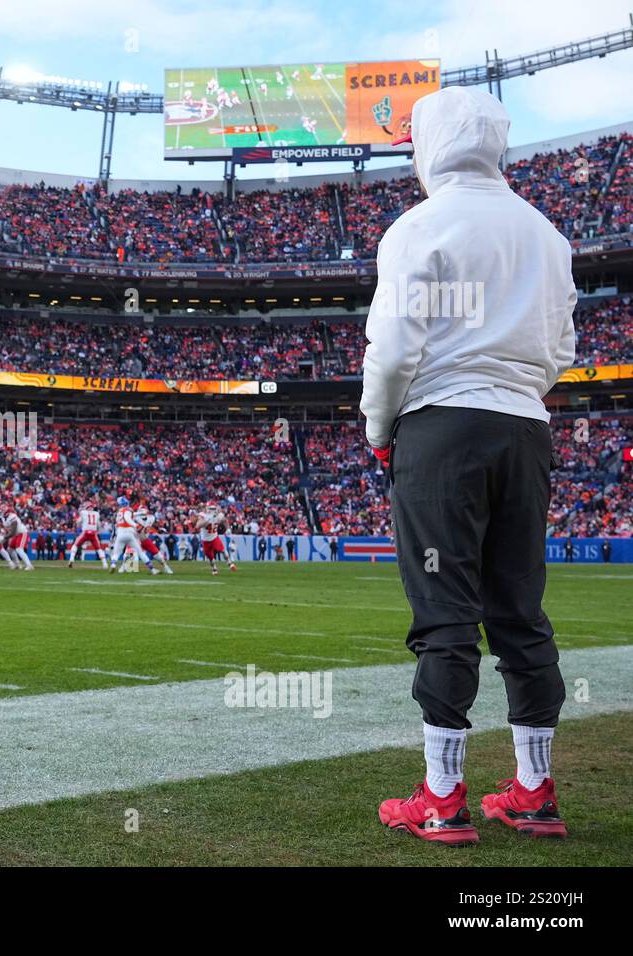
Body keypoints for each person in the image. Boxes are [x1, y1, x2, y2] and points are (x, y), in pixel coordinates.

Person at [363, 88, 576, 844]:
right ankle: (534, 789)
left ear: (430, 142)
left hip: (442, 429)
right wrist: (515, 387)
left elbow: (391, 349)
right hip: (525, 427)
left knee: (446, 612)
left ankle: (444, 796)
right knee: (520, 610)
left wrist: (378, 427)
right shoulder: (546, 234)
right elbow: (562, 348)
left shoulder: (419, 226)